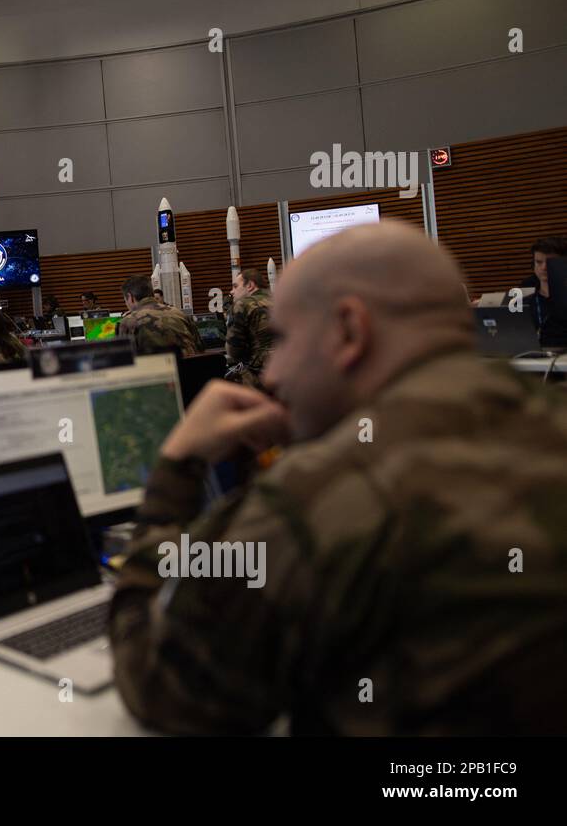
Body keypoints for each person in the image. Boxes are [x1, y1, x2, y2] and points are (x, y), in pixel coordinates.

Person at [108, 222, 567, 735]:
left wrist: (176, 469)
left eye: (283, 339)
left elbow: (160, 685)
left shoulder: (326, 492)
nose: (275, 372)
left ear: (350, 330)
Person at [117, 274, 203, 357]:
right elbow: (200, 348)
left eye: (125, 300)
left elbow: (125, 362)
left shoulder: (129, 321)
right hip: (191, 369)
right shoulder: (179, 313)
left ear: (130, 297)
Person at [224, 268, 273, 388]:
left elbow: (234, 351)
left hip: (262, 374)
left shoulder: (243, 305)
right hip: (295, 370)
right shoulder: (282, 300)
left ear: (250, 285)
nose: (232, 291)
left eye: (235, 286)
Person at [521, 235, 567, 347]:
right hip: (535, 362)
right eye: (539, 262)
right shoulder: (524, 303)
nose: (544, 268)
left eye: (550, 262)